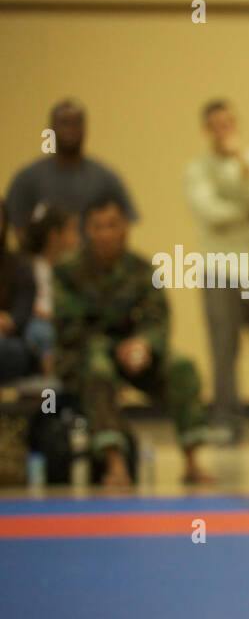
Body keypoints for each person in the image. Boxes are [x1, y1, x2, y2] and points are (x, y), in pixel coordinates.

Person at [53, 196, 209, 487]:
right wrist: (116, 349)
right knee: (99, 369)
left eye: (112, 225)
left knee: (182, 367)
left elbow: (157, 318)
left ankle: (191, 460)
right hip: (84, 355)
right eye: (98, 226)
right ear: (88, 230)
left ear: (125, 228)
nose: (106, 234)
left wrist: (144, 344)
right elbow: (70, 328)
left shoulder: (140, 269)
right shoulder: (67, 270)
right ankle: (115, 463)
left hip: (134, 354)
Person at [184, 99, 249, 444]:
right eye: (216, 125)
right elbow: (210, 213)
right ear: (206, 130)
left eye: (228, 123)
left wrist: (242, 166)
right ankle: (227, 421)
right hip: (221, 269)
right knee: (224, 351)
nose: (223, 131)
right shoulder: (197, 169)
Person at [5, 99, 137, 244]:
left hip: (92, 264)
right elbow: (16, 225)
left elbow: (124, 221)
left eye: (76, 124)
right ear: (52, 129)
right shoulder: (28, 178)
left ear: (85, 128)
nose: (70, 130)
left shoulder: (105, 178)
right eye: (64, 123)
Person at [17, 203, 78, 379]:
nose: (77, 238)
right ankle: (52, 383)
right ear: (54, 236)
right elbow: (31, 304)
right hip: (38, 323)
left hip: (62, 321)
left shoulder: (69, 270)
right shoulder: (31, 268)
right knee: (44, 332)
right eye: (72, 231)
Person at [0, 202, 41, 383]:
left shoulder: (19, 266)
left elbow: (18, 315)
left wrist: (7, 321)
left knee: (15, 351)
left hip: (8, 342)